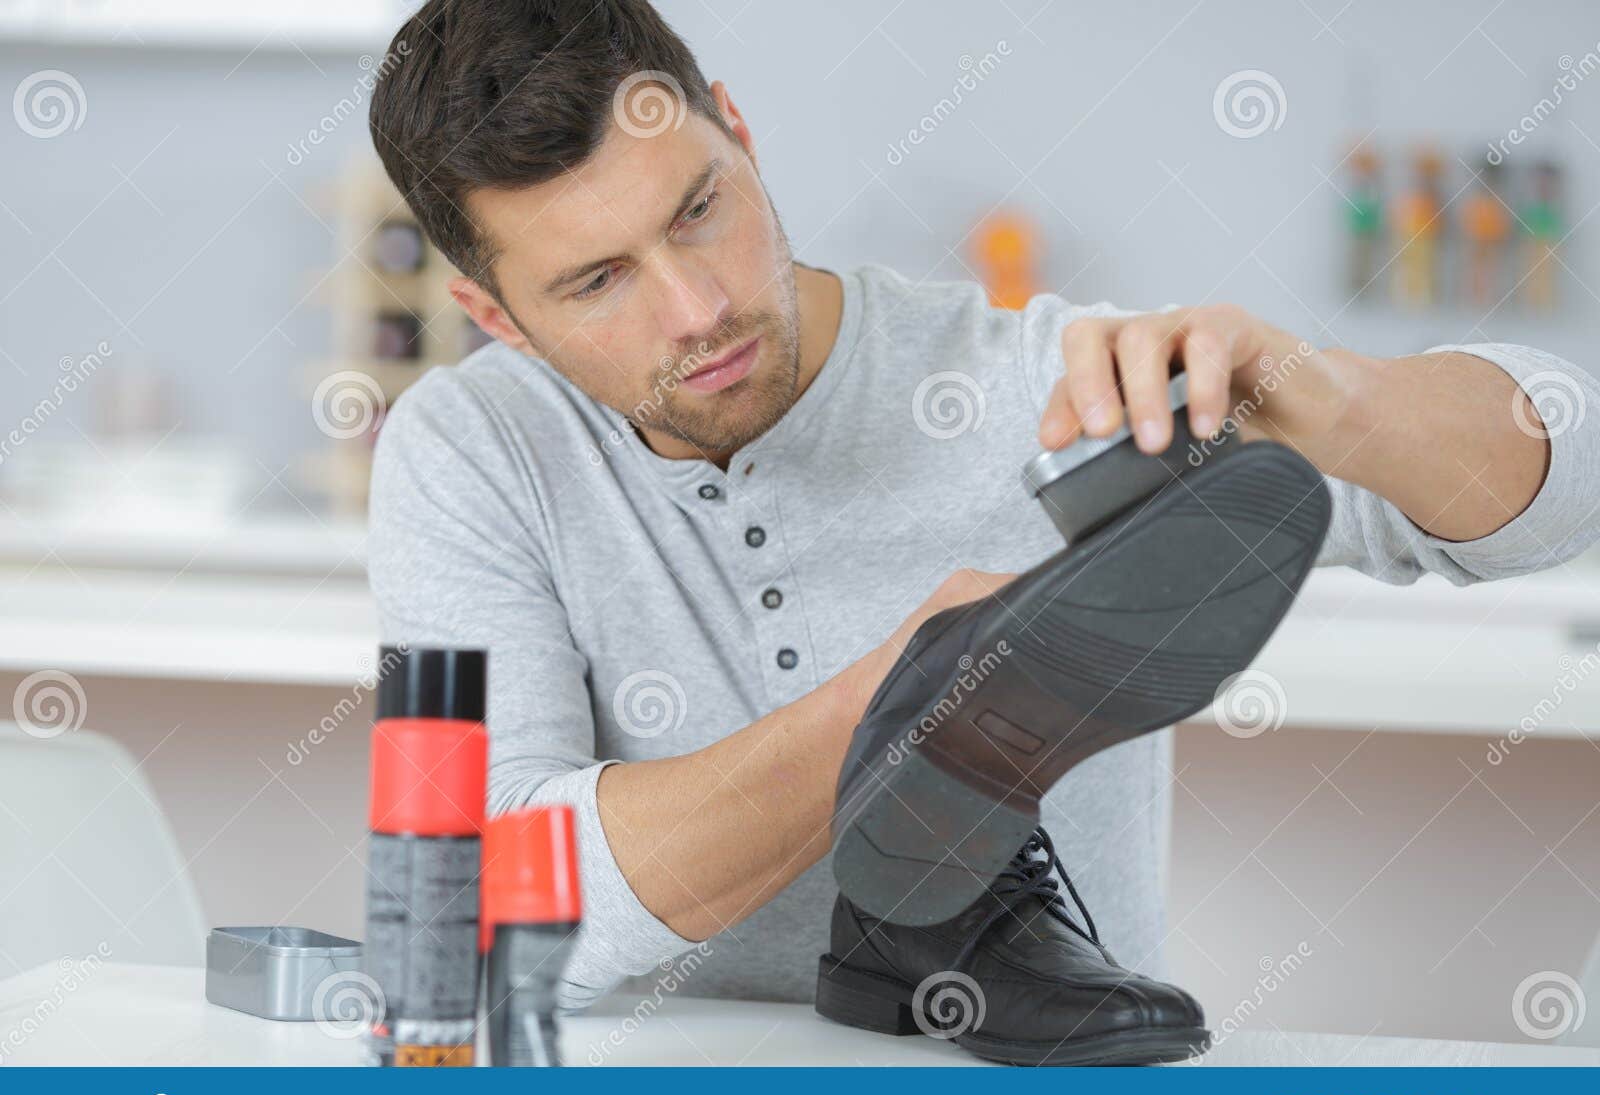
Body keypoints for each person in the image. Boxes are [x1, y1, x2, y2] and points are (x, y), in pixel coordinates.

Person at [365, 0, 1600, 1030]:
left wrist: (1336, 396)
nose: (695, 308)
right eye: (597, 279)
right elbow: (479, 892)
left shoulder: (1046, 382)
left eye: (698, 208)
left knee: (1185, 471)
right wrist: (916, 685)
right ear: (497, 317)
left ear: (738, 133)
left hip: (1028, 1086)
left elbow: (1557, 502)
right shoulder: (475, 451)